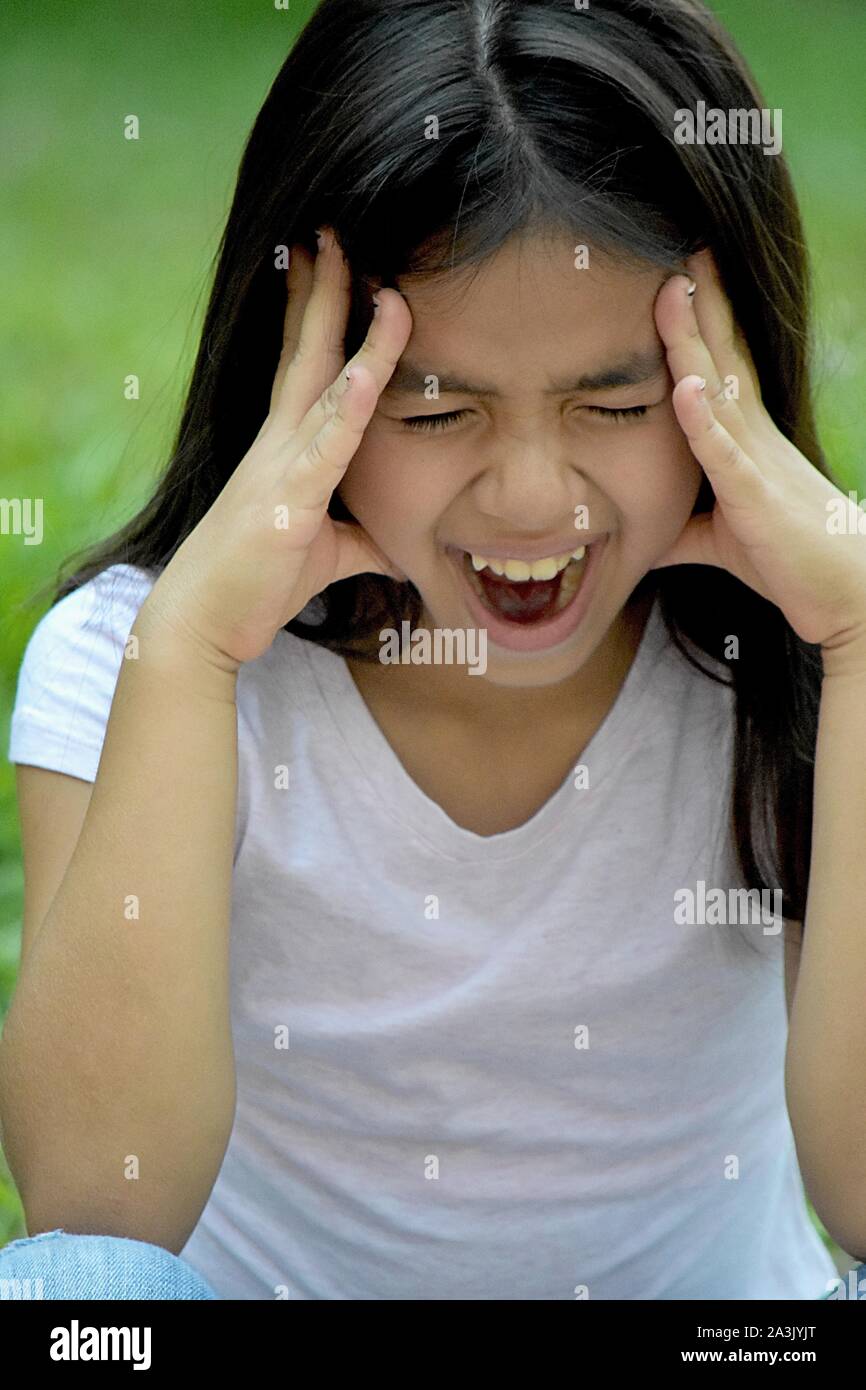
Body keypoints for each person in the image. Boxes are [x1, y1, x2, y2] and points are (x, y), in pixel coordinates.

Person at [1, 0, 865, 1300]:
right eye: (437, 406)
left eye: (618, 401)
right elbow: (90, 1220)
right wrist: (186, 655)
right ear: (299, 380)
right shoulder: (138, 655)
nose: (530, 495)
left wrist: (860, 641)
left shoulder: (806, 641)